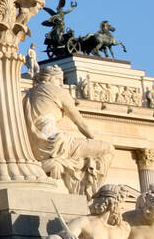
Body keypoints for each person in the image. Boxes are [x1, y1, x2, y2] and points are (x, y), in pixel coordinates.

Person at [24, 65, 113, 195]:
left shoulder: (28, 94)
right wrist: (93, 139)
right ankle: (93, 194)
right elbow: (79, 122)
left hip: (35, 147)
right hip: (55, 144)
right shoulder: (58, 91)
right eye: (60, 80)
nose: (62, 83)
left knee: (86, 156)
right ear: (51, 78)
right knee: (107, 149)